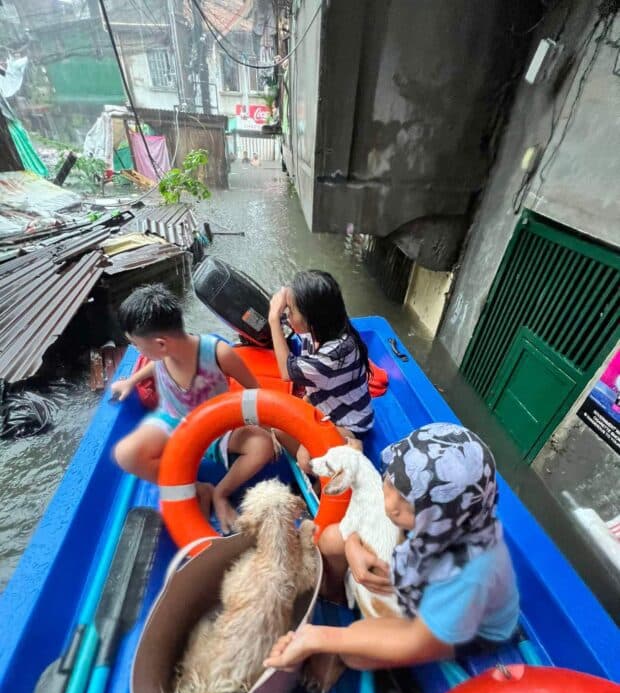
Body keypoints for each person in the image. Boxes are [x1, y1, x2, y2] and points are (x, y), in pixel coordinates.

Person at [265, 423, 520, 672]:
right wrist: (353, 546)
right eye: (390, 486)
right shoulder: (431, 503)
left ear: (439, 519)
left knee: (354, 654)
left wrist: (319, 637)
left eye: (409, 506)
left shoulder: (467, 572)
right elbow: (372, 512)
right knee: (333, 539)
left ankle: (346, 640)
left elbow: (416, 641)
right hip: (421, 575)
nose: (390, 506)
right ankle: (337, 599)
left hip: (460, 627)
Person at [111, 284, 275, 534]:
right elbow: (156, 366)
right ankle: (198, 488)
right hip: (174, 423)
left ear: (161, 344)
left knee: (262, 444)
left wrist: (269, 428)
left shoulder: (218, 353)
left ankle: (220, 493)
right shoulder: (162, 356)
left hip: (215, 429)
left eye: (137, 346)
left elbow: (255, 391)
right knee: (126, 454)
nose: (137, 351)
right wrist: (131, 381)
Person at [268, 271, 374, 471]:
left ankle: (347, 455)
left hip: (349, 424)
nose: (286, 315)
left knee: (304, 459)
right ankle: (319, 469)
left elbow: (287, 372)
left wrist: (274, 319)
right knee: (279, 430)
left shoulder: (333, 355)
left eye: (290, 310)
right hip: (323, 409)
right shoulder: (321, 330)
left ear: (311, 317)